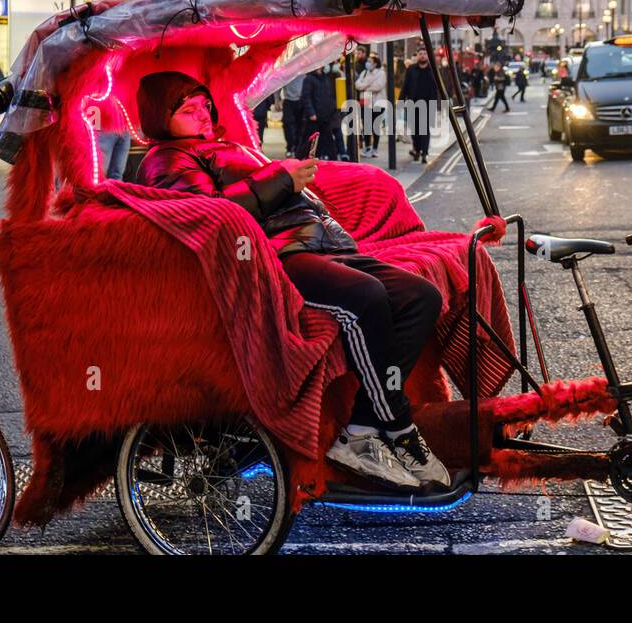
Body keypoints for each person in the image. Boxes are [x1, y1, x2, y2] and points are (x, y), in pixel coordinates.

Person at [133, 71, 451, 491]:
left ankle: (363, 428)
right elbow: (206, 212)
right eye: (188, 110)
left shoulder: (222, 145)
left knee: (419, 296)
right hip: (270, 260)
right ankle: (396, 427)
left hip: (317, 244)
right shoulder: (166, 159)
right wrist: (281, 178)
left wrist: (289, 175)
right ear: (159, 117)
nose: (203, 114)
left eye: (204, 105)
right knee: (366, 298)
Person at [401, 46, 439, 163]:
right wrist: (401, 100)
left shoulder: (433, 69)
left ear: (427, 56)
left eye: (424, 53)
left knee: (425, 130)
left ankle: (424, 153)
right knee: (415, 130)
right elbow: (405, 86)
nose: (422, 55)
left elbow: (438, 87)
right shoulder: (411, 69)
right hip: (413, 104)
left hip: (428, 105)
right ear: (417, 55)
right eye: (420, 53)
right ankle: (417, 150)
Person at [300, 63, 341, 160]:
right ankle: (302, 158)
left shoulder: (325, 78)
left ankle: (331, 160)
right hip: (315, 117)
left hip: (326, 116)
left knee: (328, 141)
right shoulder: (309, 79)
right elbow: (306, 97)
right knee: (310, 140)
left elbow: (330, 95)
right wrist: (311, 113)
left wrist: (332, 109)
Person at [355, 54, 387, 157]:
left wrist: (365, 86)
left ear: (375, 63)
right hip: (367, 102)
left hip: (378, 103)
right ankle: (367, 147)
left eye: (370, 61)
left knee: (375, 126)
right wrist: (367, 85)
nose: (367, 63)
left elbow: (378, 86)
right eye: (367, 61)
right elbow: (357, 84)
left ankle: (375, 148)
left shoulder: (381, 73)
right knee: (367, 126)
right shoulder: (364, 72)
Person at [281, 72, 306, 155]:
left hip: (300, 101)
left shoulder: (304, 72)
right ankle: (290, 146)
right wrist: (277, 100)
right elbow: (279, 85)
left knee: (299, 126)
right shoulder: (287, 71)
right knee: (288, 125)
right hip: (288, 101)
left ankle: (296, 148)